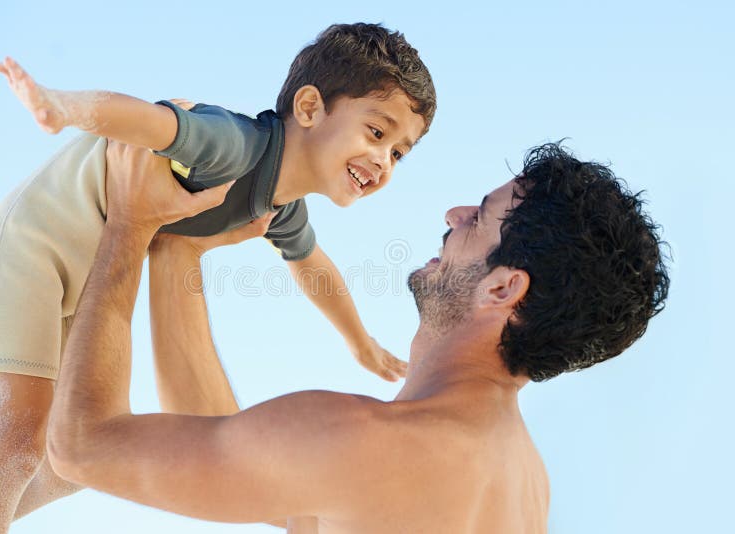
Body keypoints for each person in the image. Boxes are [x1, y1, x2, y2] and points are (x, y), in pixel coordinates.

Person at [0, 23, 436, 534]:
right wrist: (61, 108)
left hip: (83, 277)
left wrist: (361, 344)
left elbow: (313, 267)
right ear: (309, 108)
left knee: (67, 470)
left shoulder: (281, 207)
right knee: (18, 445)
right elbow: (149, 121)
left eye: (398, 152)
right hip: (34, 243)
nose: (384, 161)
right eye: (377, 133)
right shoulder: (235, 144)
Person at [47, 142, 670, 532]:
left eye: (478, 218)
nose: (453, 215)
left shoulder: (369, 443)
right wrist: (176, 250)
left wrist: (129, 223)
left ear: (503, 289)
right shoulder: (523, 485)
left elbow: (80, 448)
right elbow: (225, 462)